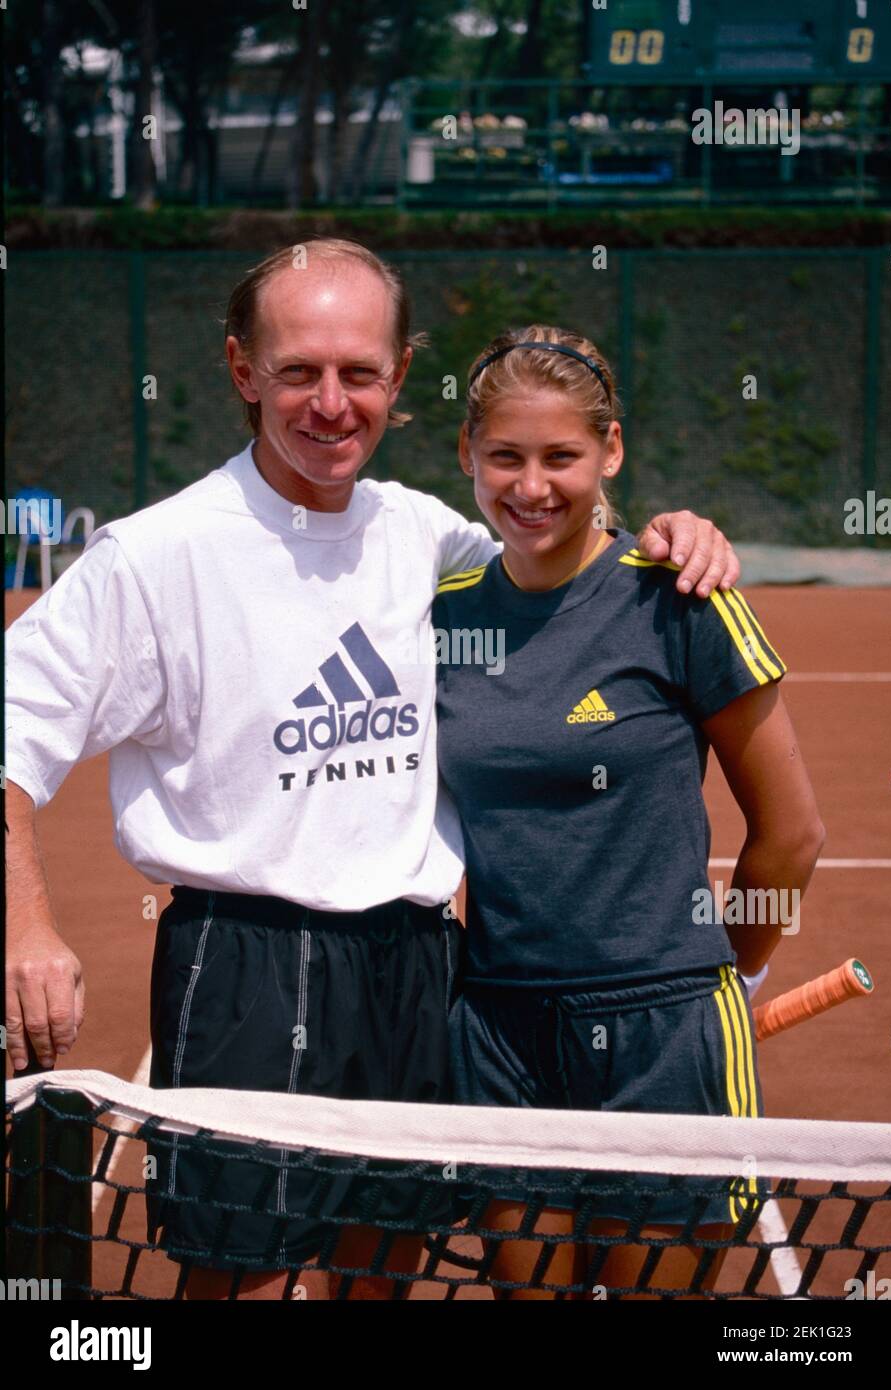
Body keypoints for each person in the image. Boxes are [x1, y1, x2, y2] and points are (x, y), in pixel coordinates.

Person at [6, 240, 741, 1302]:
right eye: (297, 370)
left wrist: (668, 531)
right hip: (248, 967)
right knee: (242, 1283)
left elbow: (563, 556)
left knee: (383, 1273)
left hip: (416, 965)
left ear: (398, 379)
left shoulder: (423, 536)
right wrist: (25, 927)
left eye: (359, 372)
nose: (330, 403)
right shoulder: (154, 556)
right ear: (241, 369)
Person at [432, 326, 825, 1300]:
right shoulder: (437, 615)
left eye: (560, 456)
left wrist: (728, 975)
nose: (531, 486)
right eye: (504, 456)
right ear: (466, 455)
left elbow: (790, 835)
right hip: (499, 1030)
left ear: (609, 451)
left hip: (666, 1032)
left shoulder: (680, 599)